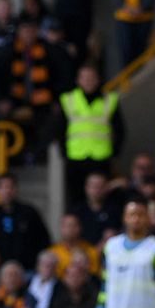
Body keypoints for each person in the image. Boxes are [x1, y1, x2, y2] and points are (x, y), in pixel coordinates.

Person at [58, 64, 124, 205]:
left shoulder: (109, 100)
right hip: (75, 157)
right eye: (85, 78)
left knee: (104, 197)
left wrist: (115, 151)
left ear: (98, 79)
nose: (88, 81)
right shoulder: (68, 100)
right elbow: (59, 128)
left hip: (101, 157)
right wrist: (63, 151)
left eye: (91, 78)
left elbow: (120, 129)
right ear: (78, 80)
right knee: (76, 198)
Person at [0, 173, 52, 268]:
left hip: (27, 269)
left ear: (16, 189)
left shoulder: (29, 212)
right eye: (3, 187)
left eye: (10, 187)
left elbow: (44, 240)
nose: (7, 191)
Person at [112, 0, 155, 68]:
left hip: (145, 17)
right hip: (123, 17)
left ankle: (141, 81)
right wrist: (123, 5)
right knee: (125, 56)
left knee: (142, 56)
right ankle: (127, 81)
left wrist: (143, 7)